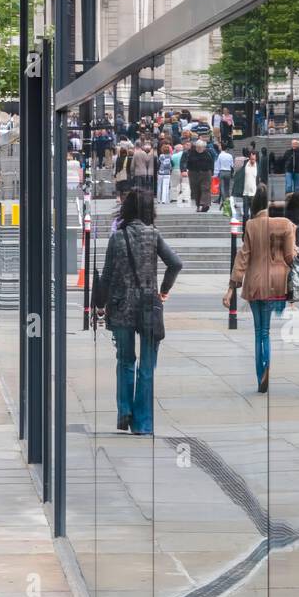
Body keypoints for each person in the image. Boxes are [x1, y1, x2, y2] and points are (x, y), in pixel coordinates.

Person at [95, 190, 182, 434]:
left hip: (121, 307)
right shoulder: (154, 235)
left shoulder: (117, 237)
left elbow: (107, 275)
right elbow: (176, 263)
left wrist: (100, 305)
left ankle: (124, 411)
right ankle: (143, 423)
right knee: (147, 365)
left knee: (124, 361)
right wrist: (163, 290)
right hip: (148, 307)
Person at [224, 186, 296, 393]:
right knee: (267, 331)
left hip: (255, 282)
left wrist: (231, 287)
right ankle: (266, 367)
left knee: (259, 332)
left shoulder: (251, 225)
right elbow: (290, 257)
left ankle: (260, 374)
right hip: (277, 282)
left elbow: (243, 256)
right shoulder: (284, 224)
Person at [184, 140, 214, 212]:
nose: (199, 149)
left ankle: (204, 204)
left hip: (206, 173)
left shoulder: (209, 153)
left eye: (201, 147)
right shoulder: (191, 153)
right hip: (194, 173)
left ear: (204, 147)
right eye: (198, 147)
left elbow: (212, 162)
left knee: (205, 188)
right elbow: (186, 162)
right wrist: (185, 170)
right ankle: (198, 205)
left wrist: (212, 172)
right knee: (196, 190)